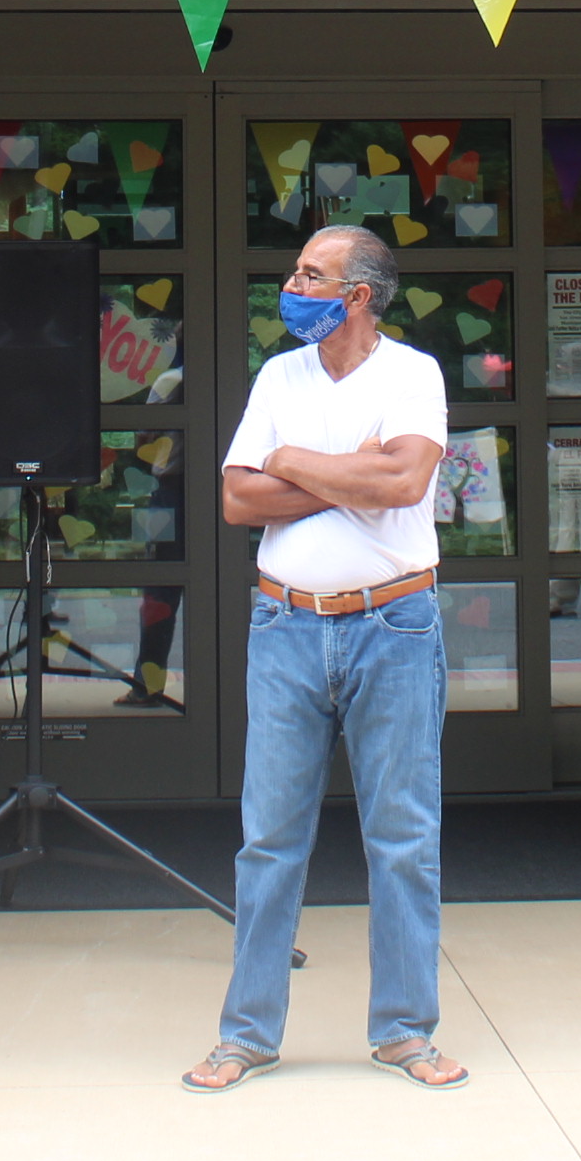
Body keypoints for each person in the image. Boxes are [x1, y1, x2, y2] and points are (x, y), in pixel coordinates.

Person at [183, 222, 466, 1093]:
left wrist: (297, 464)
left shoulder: (413, 373)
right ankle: (247, 1035)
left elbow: (403, 484)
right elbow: (237, 498)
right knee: (268, 840)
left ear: (358, 296)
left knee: (404, 838)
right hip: (286, 628)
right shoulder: (279, 374)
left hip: (397, 626)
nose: (292, 284)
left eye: (311, 274)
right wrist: (354, 472)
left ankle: (406, 1032)